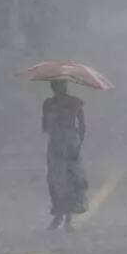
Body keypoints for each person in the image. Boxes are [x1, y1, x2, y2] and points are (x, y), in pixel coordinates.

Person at [42, 79, 88, 230]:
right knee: (56, 179)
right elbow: (45, 126)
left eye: (61, 85)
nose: (59, 88)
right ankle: (59, 214)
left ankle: (67, 216)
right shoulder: (49, 104)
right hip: (58, 141)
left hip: (68, 141)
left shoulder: (75, 103)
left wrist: (78, 143)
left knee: (70, 178)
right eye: (56, 85)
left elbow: (81, 124)